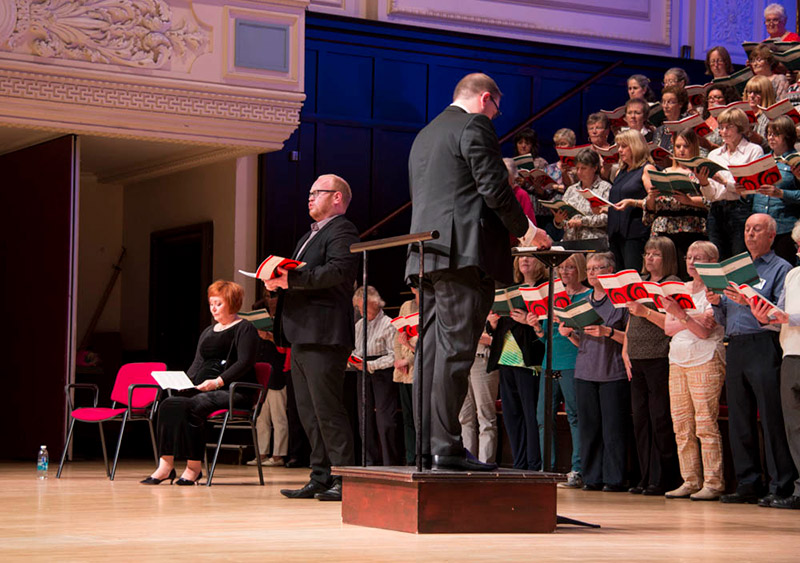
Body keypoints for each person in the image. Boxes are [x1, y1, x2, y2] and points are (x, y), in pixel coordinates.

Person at [405, 72, 550, 472]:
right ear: (486, 99)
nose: (495, 118)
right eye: (496, 110)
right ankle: (446, 448)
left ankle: (428, 446)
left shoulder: (425, 135)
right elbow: (493, 187)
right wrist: (527, 229)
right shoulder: (474, 124)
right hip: (464, 255)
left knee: (432, 355)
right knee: (454, 353)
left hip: (426, 254)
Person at [267, 173, 360, 502]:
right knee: (308, 411)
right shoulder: (310, 234)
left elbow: (339, 271)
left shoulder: (343, 229)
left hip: (324, 334)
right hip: (303, 334)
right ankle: (320, 476)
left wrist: (290, 281)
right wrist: (277, 278)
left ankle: (344, 477)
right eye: (309, 193)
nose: (309, 198)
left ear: (336, 198)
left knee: (328, 410)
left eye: (316, 193)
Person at [707, 213, 796, 505]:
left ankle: (780, 483)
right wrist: (717, 302)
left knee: (771, 417)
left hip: (765, 343)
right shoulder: (735, 268)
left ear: (772, 235)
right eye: (746, 229)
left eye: (757, 229)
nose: (750, 234)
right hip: (736, 344)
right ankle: (748, 482)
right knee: (739, 417)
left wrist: (750, 301)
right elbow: (723, 318)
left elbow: (779, 311)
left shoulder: (781, 268)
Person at [142, 280, 259, 486]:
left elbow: (245, 362)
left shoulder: (245, 328)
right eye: (211, 303)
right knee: (168, 403)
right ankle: (165, 465)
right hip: (205, 389)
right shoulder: (208, 331)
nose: (213, 308)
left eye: (219, 303)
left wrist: (218, 381)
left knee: (194, 406)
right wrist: (184, 383)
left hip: (234, 391)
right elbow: (198, 364)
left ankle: (193, 468)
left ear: (232, 303)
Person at [661, 241, 726, 501]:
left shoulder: (716, 291)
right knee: (681, 424)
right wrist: (689, 317)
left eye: (698, 257)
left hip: (705, 357)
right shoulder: (681, 288)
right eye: (688, 256)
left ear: (711, 263)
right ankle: (690, 479)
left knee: (705, 424)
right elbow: (667, 327)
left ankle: (713, 481)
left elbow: (705, 330)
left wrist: (682, 316)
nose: (691, 262)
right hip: (678, 359)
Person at [565, 252, 630, 492]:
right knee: (589, 428)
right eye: (590, 269)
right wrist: (570, 333)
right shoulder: (583, 302)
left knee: (613, 428)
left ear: (611, 270)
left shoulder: (621, 301)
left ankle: (614, 478)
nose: (593, 273)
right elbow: (582, 341)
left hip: (612, 371)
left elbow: (631, 339)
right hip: (584, 372)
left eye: (598, 268)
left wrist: (608, 333)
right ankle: (592, 477)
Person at [622, 237, 681, 496]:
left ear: (666, 257)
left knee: (660, 419)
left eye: (655, 254)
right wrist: (625, 350)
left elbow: (673, 322)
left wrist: (644, 311)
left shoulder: (674, 284)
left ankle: (664, 478)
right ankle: (645, 476)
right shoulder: (639, 284)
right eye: (647, 253)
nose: (649, 258)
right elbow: (630, 321)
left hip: (659, 356)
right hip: (636, 356)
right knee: (641, 421)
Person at [749, 219, 800, 509]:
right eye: (798, 245)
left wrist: (787, 318)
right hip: (790, 354)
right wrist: (763, 318)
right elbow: (780, 315)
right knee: (793, 427)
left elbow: (791, 316)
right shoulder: (793, 275)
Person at [529, 253, 591, 487]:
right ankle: (549, 468)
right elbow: (547, 337)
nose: (565, 272)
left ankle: (578, 468)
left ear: (580, 270)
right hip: (550, 365)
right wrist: (536, 327)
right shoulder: (552, 297)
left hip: (573, 363)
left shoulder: (586, 296)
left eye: (570, 268)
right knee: (544, 417)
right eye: (562, 268)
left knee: (575, 416)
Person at [487, 256, 546, 470]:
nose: (524, 260)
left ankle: (533, 463)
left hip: (529, 360)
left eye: (530, 256)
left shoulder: (543, 289)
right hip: (506, 358)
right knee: (512, 416)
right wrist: (492, 324)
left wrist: (528, 322)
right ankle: (519, 463)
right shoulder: (510, 289)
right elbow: (498, 325)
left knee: (530, 415)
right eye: (521, 257)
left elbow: (546, 326)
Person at [699, 107, 763, 259]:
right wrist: (704, 183)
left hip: (740, 209)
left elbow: (749, 188)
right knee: (716, 258)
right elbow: (711, 195)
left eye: (729, 127)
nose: (724, 131)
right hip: (716, 211)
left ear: (740, 128)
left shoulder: (753, 151)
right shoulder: (714, 155)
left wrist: (725, 182)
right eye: (721, 127)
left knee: (739, 259)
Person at [351, 285, 402, 466]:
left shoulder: (388, 324)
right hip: (362, 371)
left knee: (385, 419)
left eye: (364, 306)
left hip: (382, 373)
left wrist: (371, 365)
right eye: (359, 307)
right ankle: (369, 461)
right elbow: (356, 350)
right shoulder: (359, 325)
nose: (361, 311)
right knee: (364, 418)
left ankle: (390, 462)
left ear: (375, 303)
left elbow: (394, 355)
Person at [750, 116, 800, 265]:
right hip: (759, 228)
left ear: (788, 136)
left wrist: (781, 194)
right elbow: (752, 195)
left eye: (776, 134)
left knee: (785, 269)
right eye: (769, 134)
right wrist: (743, 191)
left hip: (784, 228)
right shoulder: (761, 160)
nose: (771, 138)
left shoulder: (796, 160)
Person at [607, 129, 656, 272]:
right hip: (616, 232)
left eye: (624, 146)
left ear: (636, 146)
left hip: (634, 232)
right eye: (618, 147)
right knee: (618, 278)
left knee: (632, 276)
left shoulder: (647, 169)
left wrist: (632, 202)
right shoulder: (620, 172)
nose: (620, 150)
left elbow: (656, 201)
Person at [248, 305, 289, 467]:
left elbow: (284, 350)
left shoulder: (279, 328)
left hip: (277, 378)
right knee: (261, 419)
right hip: (263, 382)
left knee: (278, 418)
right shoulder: (257, 336)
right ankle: (262, 453)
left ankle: (279, 455)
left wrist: (270, 338)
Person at [459, 316, 500, 465]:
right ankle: (468, 461)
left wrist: (474, 335)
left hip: (483, 359)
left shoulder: (492, 304)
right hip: (462, 360)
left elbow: (496, 338)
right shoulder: (463, 305)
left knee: (485, 416)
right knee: (464, 417)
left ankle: (485, 463)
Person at [552, 148, 611, 243]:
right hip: (571, 241)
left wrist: (582, 221)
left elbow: (607, 218)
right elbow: (564, 221)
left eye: (583, 168)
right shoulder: (572, 189)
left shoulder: (605, 188)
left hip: (594, 242)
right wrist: (558, 221)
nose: (579, 172)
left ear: (595, 168)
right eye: (577, 168)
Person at [394, 286, 418, 466]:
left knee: (420, 417)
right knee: (408, 417)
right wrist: (398, 360)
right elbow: (397, 337)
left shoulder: (431, 304)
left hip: (418, 367)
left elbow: (427, 342)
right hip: (403, 371)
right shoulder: (406, 306)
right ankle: (411, 457)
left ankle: (422, 456)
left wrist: (408, 357)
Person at [651, 85, 689, 157]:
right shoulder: (660, 130)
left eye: (670, 102)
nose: (665, 106)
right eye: (663, 102)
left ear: (680, 104)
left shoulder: (687, 126)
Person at [744, 74, 777, 150]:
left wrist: (748, 132)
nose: (752, 96)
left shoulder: (770, 116)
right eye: (749, 92)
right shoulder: (742, 114)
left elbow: (767, 145)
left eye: (757, 92)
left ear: (766, 94)